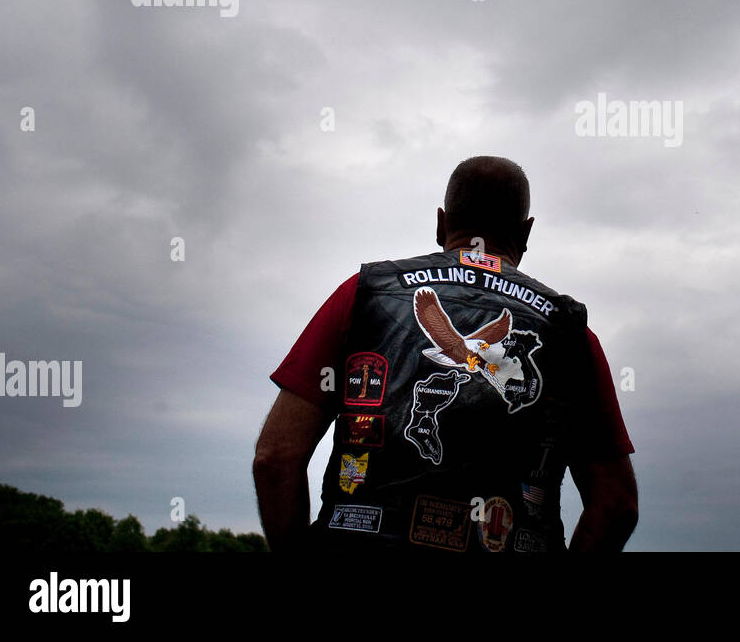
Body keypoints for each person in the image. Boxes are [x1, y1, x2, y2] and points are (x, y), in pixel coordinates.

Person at [253, 156, 638, 552]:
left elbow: (276, 456)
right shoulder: (571, 331)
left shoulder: (364, 292)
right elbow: (616, 504)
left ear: (441, 223)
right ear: (526, 233)